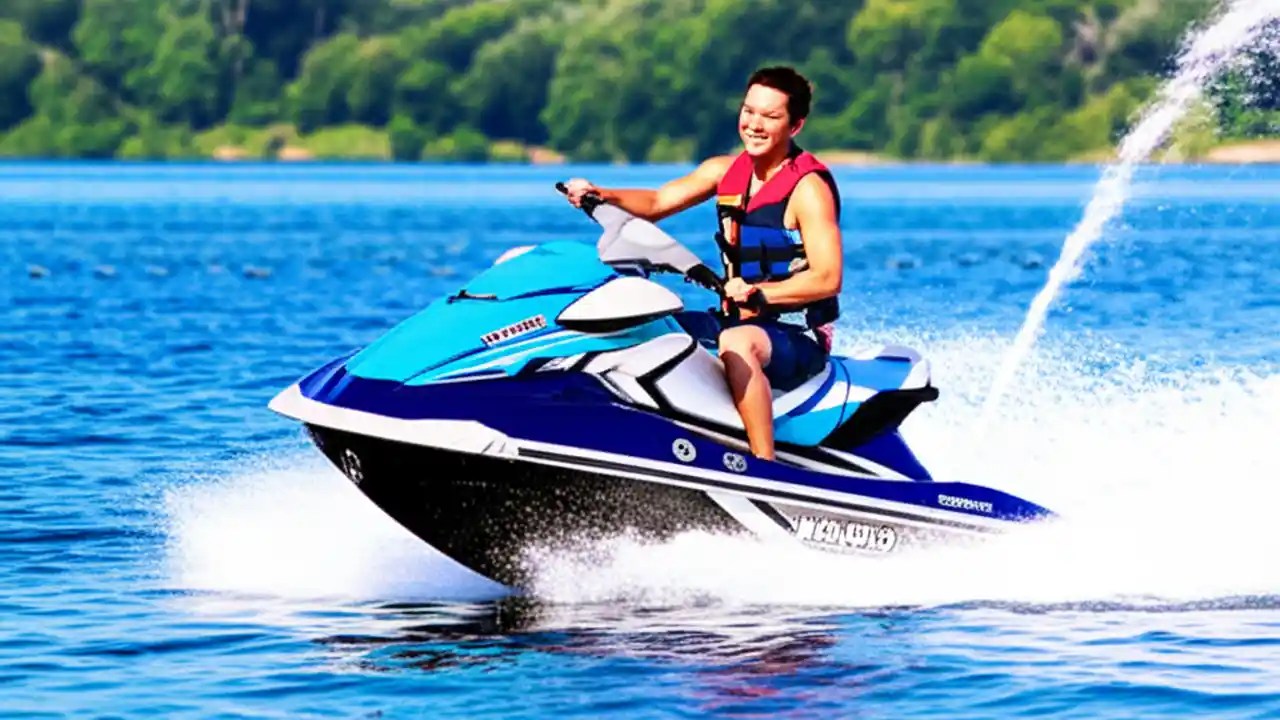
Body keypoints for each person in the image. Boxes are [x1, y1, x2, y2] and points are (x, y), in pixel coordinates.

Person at [563, 66, 843, 461]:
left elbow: (828, 278)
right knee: (646, 330)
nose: (754, 125)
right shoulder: (724, 171)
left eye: (770, 116)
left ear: (795, 126)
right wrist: (603, 193)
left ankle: (765, 468)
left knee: (736, 342)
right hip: (733, 315)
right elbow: (658, 203)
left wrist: (761, 292)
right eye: (749, 112)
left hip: (794, 334)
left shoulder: (808, 189)